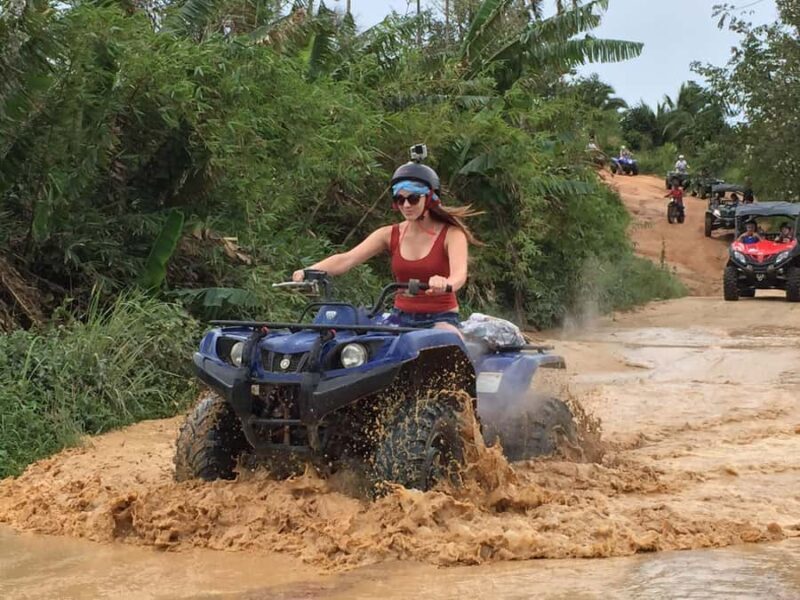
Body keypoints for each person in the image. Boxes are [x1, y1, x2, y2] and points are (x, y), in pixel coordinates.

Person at [291, 158, 481, 332]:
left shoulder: (452, 234)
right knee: (349, 334)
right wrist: (309, 270)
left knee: (447, 346)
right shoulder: (389, 234)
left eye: (413, 198)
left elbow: (459, 275)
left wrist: (445, 283)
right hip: (399, 318)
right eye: (400, 199)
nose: (406, 205)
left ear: (429, 198)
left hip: (441, 319)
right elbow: (346, 259)